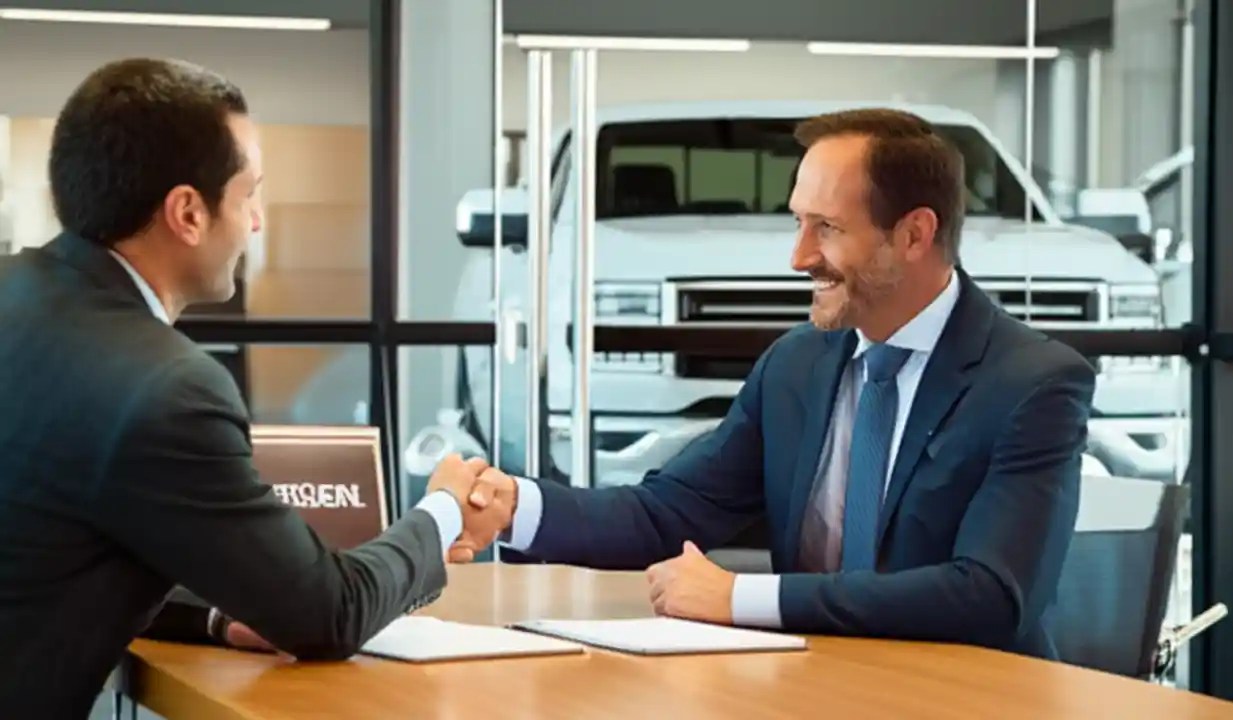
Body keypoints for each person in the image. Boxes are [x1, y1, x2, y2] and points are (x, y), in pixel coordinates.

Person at [458, 108, 1097, 659]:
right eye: (799, 223)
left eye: (827, 228)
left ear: (914, 235)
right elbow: (669, 512)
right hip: (807, 689)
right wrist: (515, 506)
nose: (799, 257)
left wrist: (741, 596)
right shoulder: (798, 364)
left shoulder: (1033, 384)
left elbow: (988, 596)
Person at [0, 58, 511, 718]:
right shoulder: (166, 390)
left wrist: (219, 615)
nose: (258, 222)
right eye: (249, 195)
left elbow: (53, 548)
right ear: (187, 212)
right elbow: (328, 611)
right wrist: (441, 514)